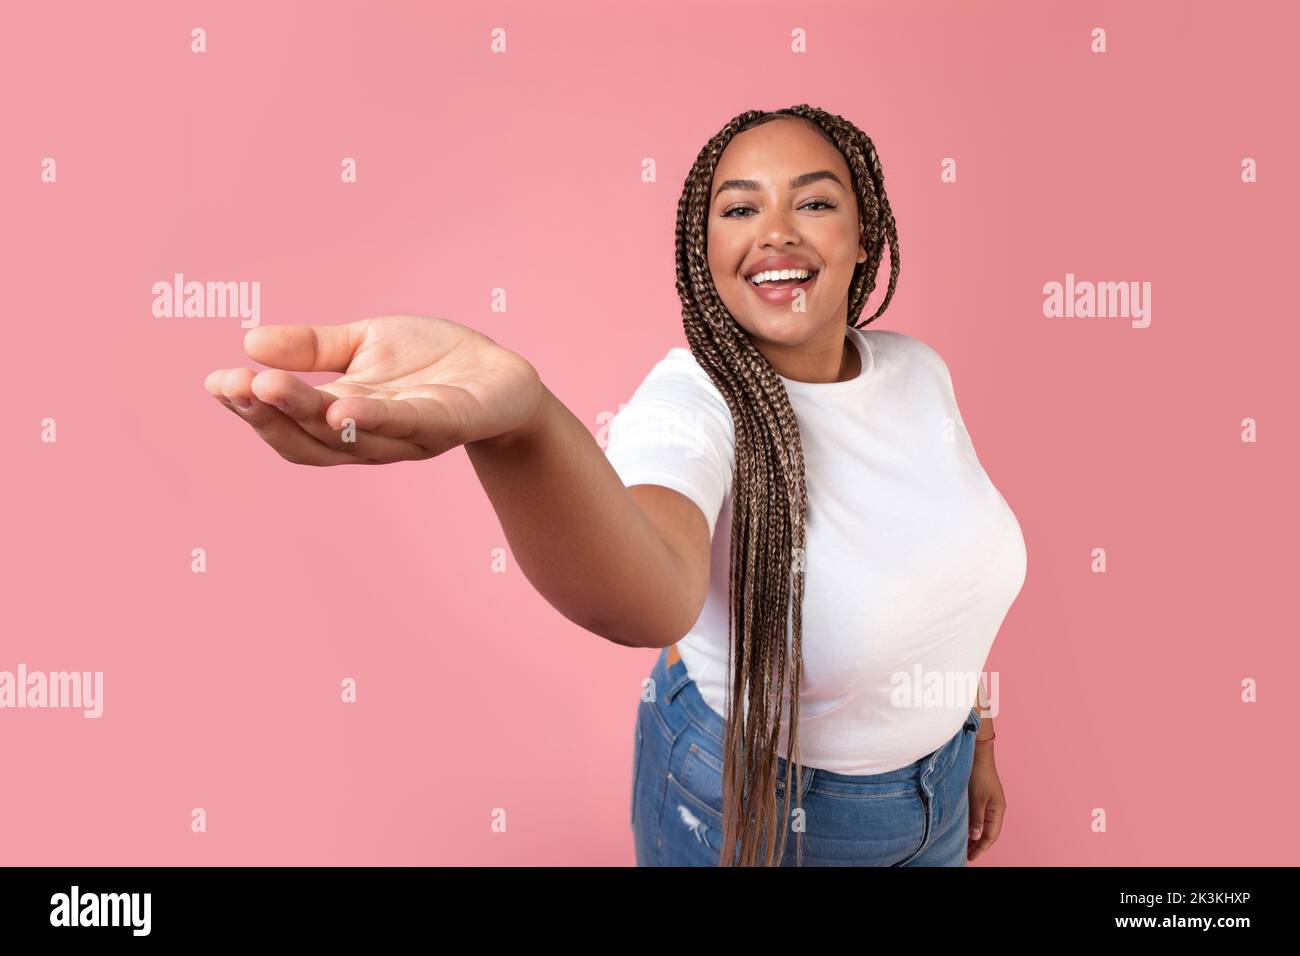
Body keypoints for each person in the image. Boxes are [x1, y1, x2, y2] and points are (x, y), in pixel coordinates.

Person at [204, 104, 1026, 867]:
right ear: (704, 253)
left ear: (864, 229)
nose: (775, 232)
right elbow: (653, 596)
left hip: (940, 785)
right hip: (764, 806)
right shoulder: (691, 402)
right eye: (739, 210)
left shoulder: (917, 369)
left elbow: (949, 572)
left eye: (812, 204)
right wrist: (523, 428)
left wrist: (973, 744)